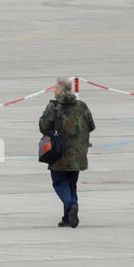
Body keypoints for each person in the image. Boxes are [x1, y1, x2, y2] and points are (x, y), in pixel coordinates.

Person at [39, 77, 95, 228]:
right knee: (71, 183)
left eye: (54, 89)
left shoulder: (53, 106)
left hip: (59, 152)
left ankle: (71, 205)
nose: (53, 91)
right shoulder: (81, 105)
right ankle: (68, 217)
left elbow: (44, 127)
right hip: (78, 153)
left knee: (59, 182)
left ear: (60, 91)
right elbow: (91, 125)